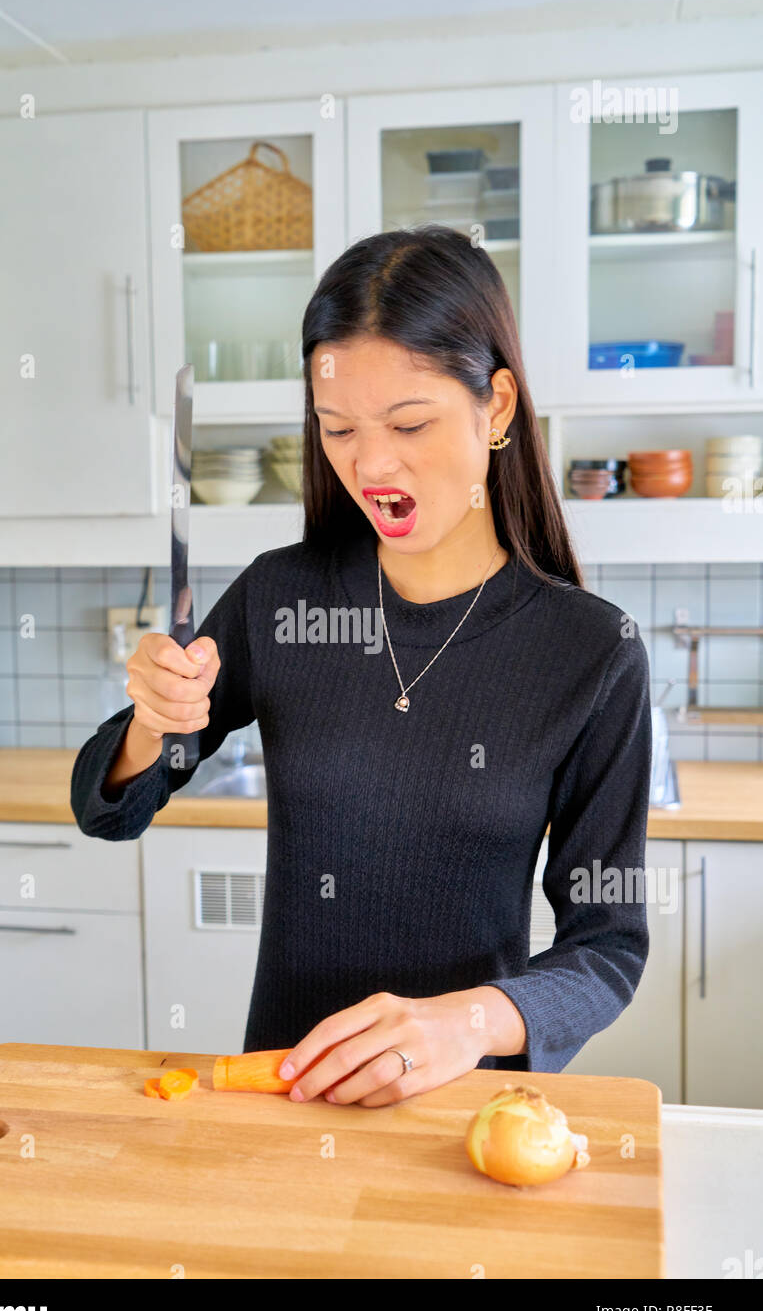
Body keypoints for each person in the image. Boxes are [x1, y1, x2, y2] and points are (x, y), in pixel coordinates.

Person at [71, 224, 652, 1109]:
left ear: (496, 407)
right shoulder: (281, 599)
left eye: (408, 422)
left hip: (460, 1113)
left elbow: (607, 946)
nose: (369, 463)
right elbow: (109, 811)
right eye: (337, 427)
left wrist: (468, 1021)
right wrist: (155, 720)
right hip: (283, 1094)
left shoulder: (589, 653)